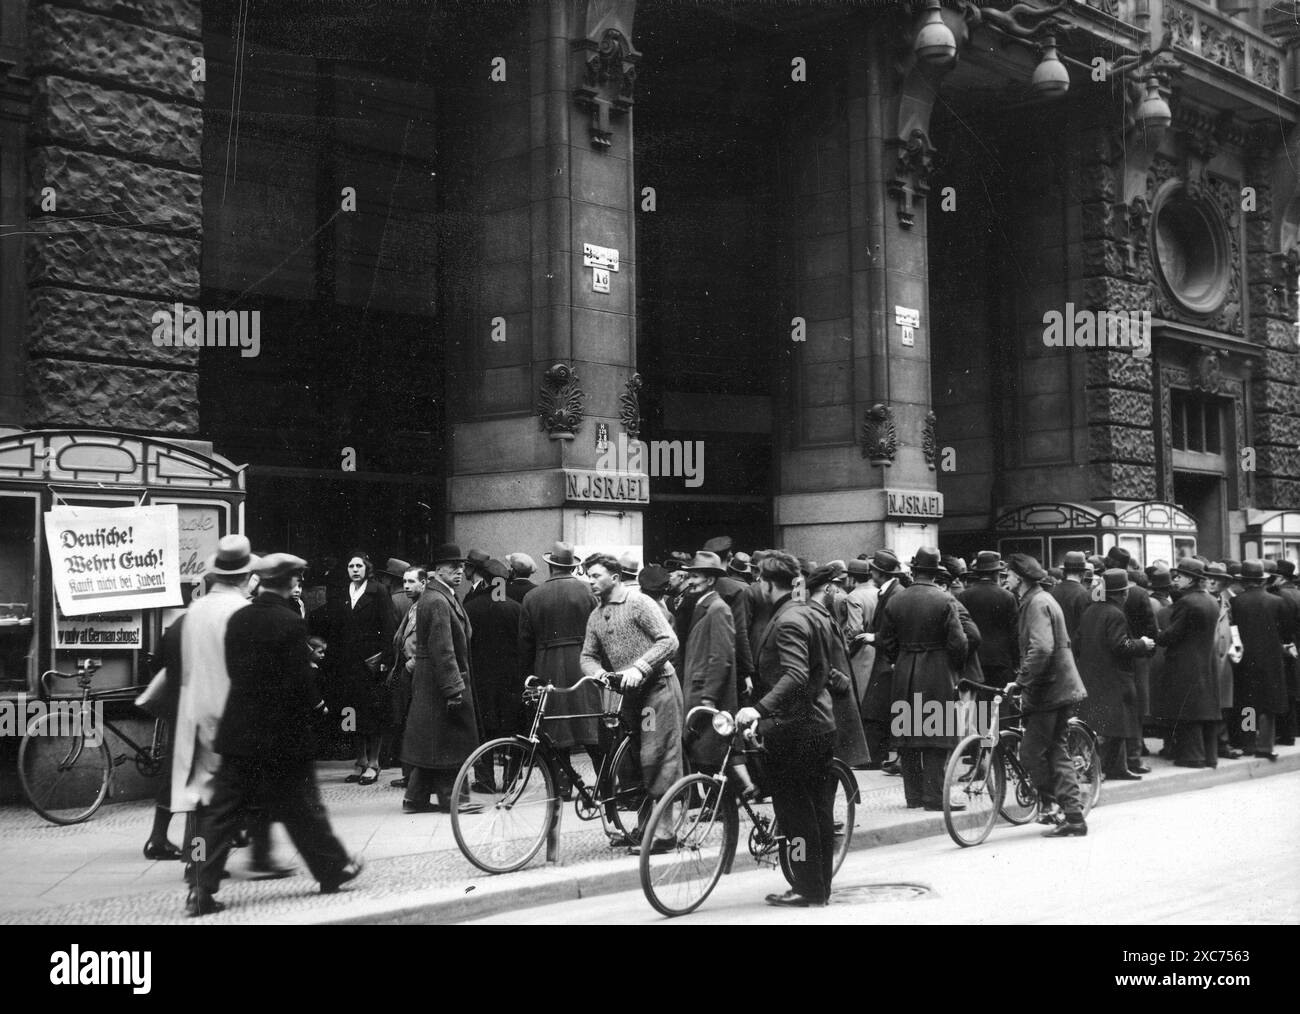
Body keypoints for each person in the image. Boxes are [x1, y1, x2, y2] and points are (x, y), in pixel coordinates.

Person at [186, 553, 361, 916]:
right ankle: (332, 868)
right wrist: (318, 707)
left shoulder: (239, 618)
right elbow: (299, 679)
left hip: (239, 731)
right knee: (302, 807)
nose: (298, 583)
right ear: (288, 581)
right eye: (296, 579)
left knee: (220, 812)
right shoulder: (290, 622)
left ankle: (199, 888)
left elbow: (233, 670)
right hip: (282, 735)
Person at [736, 551, 837, 907]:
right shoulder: (811, 611)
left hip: (795, 727)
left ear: (766, 583)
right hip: (819, 722)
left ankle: (806, 887)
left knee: (795, 813)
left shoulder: (789, 619)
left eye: (759, 580)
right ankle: (819, 886)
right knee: (819, 810)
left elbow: (795, 674)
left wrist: (759, 708)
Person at [579, 554, 683, 853]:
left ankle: (665, 834)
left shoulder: (639, 603)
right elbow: (587, 655)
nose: (590, 581)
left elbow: (669, 641)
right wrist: (598, 674)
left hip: (657, 688)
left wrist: (640, 668)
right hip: (630, 695)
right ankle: (644, 829)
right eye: (588, 576)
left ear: (614, 577)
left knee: (656, 755)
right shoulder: (596, 615)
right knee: (635, 760)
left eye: (596, 575)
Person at [170, 536, 258, 883]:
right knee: (226, 793)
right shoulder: (242, 611)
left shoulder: (196, 609)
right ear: (245, 575)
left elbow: (187, 664)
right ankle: (206, 868)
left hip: (195, 707)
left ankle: (195, 860)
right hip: (231, 709)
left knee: (199, 791)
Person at [1004, 553, 1090, 837]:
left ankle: (1055, 806)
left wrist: (1021, 681)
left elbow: (1041, 648)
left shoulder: (1036, 603)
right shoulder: (1041, 599)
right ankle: (1070, 814)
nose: (1005, 578)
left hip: (1049, 690)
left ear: (1020, 578)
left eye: (1009, 574)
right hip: (1058, 687)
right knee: (1056, 750)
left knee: (1031, 752)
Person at [876, 548, 967, 810]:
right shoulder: (945, 600)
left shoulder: (897, 600)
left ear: (914, 571)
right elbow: (958, 642)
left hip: (904, 670)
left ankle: (913, 796)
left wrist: (900, 657)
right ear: (935, 572)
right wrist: (954, 666)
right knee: (936, 734)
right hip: (937, 670)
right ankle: (934, 796)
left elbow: (886, 641)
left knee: (908, 735)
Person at [401, 544, 483, 813]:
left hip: (431, 680)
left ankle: (415, 798)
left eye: (461, 567)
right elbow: (442, 648)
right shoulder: (437, 599)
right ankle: (455, 799)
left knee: (433, 741)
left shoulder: (439, 595)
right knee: (450, 739)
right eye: (453, 567)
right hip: (440, 680)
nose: (459, 571)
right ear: (437, 570)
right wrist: (453, 689)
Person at [519, 542, 602, 791]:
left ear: (550, 566)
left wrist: (529, 676)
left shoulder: (532, 596)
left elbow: (525, 642)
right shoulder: (588, 592)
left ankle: (562, 785)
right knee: (589, 721)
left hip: (547, 665)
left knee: (555, 726)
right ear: (572, 566)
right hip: (583, 662)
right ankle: (605, 782)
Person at [678, 552, 754, 797]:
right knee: (709, 753)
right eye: (689, 576)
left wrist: (709, 697)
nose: (690, 581)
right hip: (701, 691)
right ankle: (728, 798)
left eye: (695, 577)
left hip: (709, 694)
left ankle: (735, 796)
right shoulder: (705, 606)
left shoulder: (718, 609)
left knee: (714, 753)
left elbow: (721, 658)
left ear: (710, 580)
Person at [1077, 569, 1154, 779]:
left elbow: (1078, 642)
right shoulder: (1116, 614)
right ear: (1123, 593)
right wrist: (1142, 644)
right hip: (1114, 676)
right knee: (1114, 726)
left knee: (1111, 724)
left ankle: (1118, 767)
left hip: (1092, 674)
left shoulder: (1090, 611)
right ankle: (1097, 770)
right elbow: (1120, 645)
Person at [1154, 559, 1222, 768]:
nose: (1176, 580)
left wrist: (1156, 635)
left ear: (1191, 579)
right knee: (1204, 710)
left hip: (1185, 663)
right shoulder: (1211, 601)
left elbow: (1172, 635)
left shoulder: (1186, 602)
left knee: (1188, 711)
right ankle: (1209, 756)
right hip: (1205, 660)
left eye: (1180, 576)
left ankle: (1192, 757)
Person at [337, 552, 397, 786]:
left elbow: (389, 626)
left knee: (373, 712)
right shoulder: (344, 592)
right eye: (351, 566)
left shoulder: (378, 591)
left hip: (370, 663)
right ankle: (360, 760)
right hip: (348, 663)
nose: (354, 570)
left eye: (359, 566)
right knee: (351, 712)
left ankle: (374, 763)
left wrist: (385, 660)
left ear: (367, 568)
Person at [1230, 560, 1296, 760]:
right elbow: (1286, 632)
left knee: (1247, 703)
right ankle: (1266, 746)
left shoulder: (1236, 602)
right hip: (1271, 659)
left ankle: (1248, 742)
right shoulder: (1277, 602)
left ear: (1244, 581)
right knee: (1269, 704)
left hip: (1245, 659)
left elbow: (1233, 629)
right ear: (1263, 580)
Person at [806, 562, 870, 768]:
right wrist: (836, 677)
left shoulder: (820, 613)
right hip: (833, 692)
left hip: (836, 692)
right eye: (834, 587)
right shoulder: (816, 616)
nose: (837, 591)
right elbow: (815, 658)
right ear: (827, 588)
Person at [853, 549, 905, 770]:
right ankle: (881, 756)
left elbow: (894, 630)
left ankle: (875, 758)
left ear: (880, 573)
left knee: (876, 708)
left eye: (874, 570)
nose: (871, 573)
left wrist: (875, 637)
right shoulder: (890, 591)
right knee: (880, 708)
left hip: (887, 658)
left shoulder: (894, 594)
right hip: (886, 658)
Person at [464, 558, 524, 744]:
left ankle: (485, 763)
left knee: (484, 726)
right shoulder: (516, 608)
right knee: (510, 725)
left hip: (481, 675)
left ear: (484, 580)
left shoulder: (470, 608)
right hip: (510, 676)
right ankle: (510, 762)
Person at [387, 566, 426, 789]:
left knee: (413, 723)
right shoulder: (413, 607)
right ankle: (410, 774)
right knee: (405, 722)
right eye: (404, 582)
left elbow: (426, 641)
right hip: (406, 668)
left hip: (415, 670)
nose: (407, 586)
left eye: (411, 582)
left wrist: (411, 664)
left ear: (423, 583)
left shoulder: (424, 607)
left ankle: (414, 776)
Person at [1051, 552, 1091, 657]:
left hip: (1054, 650)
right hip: (1074, 653)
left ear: (1065, 571)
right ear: (1082, 573)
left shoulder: (1053, 591)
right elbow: (1085, 629)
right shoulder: (1084, 594)